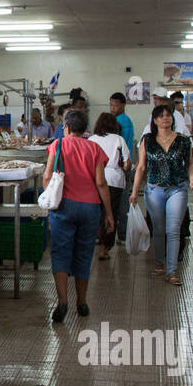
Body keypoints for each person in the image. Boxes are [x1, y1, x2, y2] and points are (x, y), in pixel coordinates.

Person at [43, 109, 114, 323]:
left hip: (63, 206)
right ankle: (82, 302)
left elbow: (47, 176)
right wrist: (109, 213)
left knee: (61, 252)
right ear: (85, 130)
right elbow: (101, 182)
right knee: (84, 253)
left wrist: (49, 199)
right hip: (90, 207)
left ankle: (63, 300)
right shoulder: (94, 148)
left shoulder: (58, 145)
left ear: (66, 127)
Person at [130, 103, 193, 286]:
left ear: (173, 119)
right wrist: (135, 191)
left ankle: (172, 271)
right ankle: (160, 263)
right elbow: (141, 167)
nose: (165, 118)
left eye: (168, 115)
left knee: (173, 230)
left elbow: (190, 163)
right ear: (155, 120)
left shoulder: (183, 140)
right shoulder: (147, 140)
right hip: (154, 189)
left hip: (177, 188)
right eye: (161, 116)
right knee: (159, 230)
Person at [88, 113, 130, 261]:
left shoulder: (91, 139)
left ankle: (97, 240)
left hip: (94, 179)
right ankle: (104, 249)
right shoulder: (119, 139)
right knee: (111, 213)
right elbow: (127, 163)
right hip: (114, 180)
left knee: (97, 212)